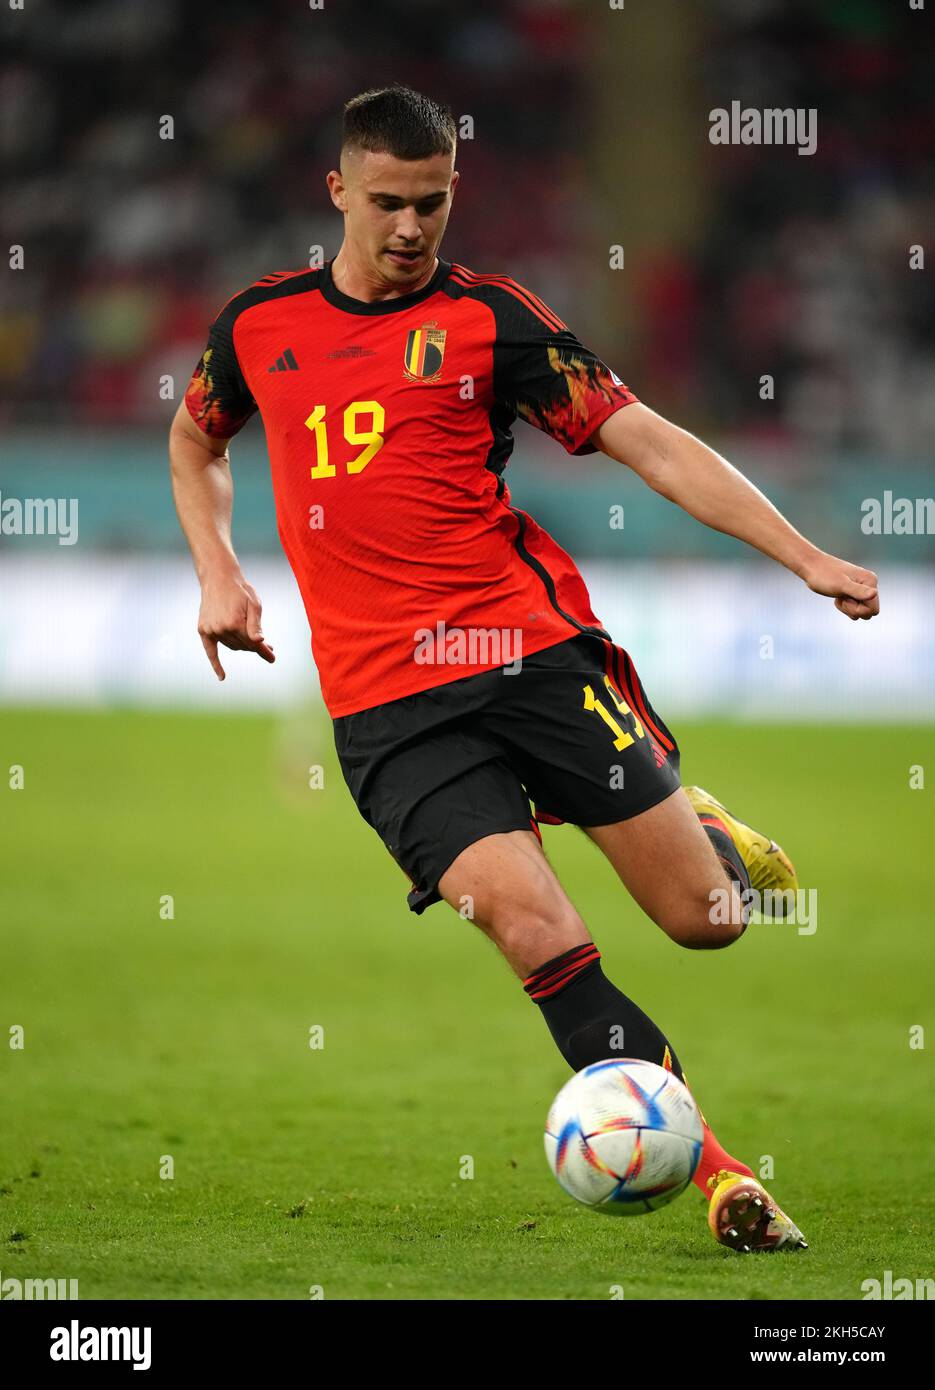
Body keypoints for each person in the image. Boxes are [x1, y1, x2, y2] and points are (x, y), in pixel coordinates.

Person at [169, 84, 879, 1251]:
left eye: (433, 205)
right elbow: (195, 438)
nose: (409, 229)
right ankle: (719, 1176)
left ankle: (692, 825)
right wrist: (217, 568)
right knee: (531, 931)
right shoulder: (258, 326)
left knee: (707, 919)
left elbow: (641, 436)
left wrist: (798, 553)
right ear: (337, 190)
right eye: (389, 203)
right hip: (390, 717)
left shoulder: (491, 322)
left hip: (525, 657)